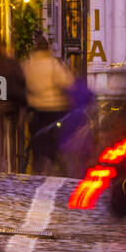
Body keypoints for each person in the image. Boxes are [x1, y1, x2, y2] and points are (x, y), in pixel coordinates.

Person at [22, 38, 74, 175]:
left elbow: (24, 83)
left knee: (37, 139)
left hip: (36, 108)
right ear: (47, 49)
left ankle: (37, 168)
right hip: (54, 108)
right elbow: (67, 83)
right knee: (56, 139)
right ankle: (58, 163)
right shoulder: (54, 64)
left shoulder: (29, 65)